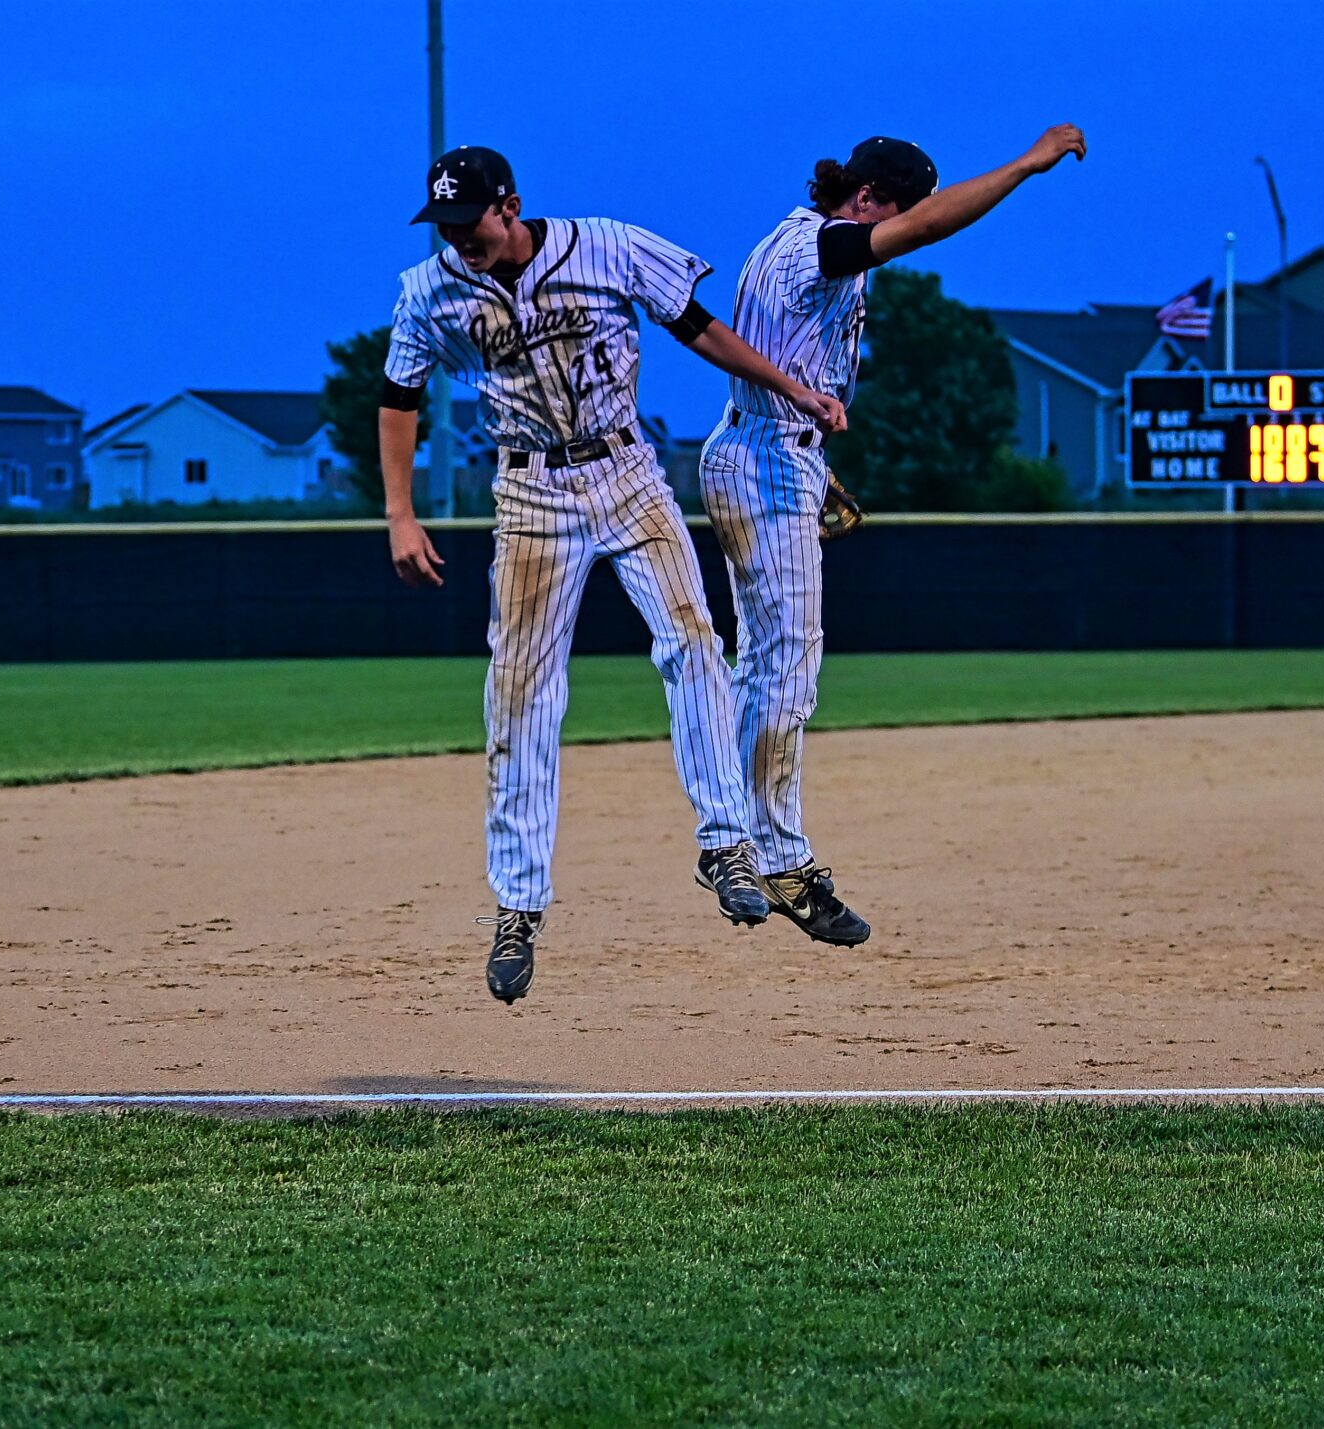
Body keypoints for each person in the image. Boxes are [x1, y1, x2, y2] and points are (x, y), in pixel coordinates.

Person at [380, 145, 848, 1006]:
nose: (459, 239)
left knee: (695, 643)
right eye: (444, 225)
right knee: (519, 691)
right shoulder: (432, 289)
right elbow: (399, 398)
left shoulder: (605, 245)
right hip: (530, 492)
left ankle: (727, 844)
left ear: (510, 205)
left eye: (470, 220)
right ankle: (518, 905)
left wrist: (796, 392)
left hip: (628, 473)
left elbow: (700, 327)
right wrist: (400, 513)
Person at [700, 125, 1087, 947]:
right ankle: (767, 854)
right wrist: (1024, 164)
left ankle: (735, 836)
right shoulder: (823, 243)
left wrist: (802, 460)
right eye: (896, 210)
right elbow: (927, 226)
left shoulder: (789, 241)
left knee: (763, 662)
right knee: (789, 665)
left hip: (762, 450)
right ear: (868, 197)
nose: (900, 227)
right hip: (767, 457)